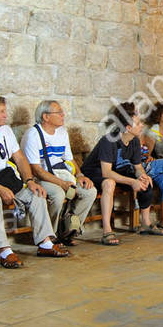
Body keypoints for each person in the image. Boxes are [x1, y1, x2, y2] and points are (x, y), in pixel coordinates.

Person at [0, 94, 64, 267]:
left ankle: (45, 242)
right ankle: (4, 250)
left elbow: (19, 157)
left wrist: (30, 180)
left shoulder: (6, 131)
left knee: (36, 194)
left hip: (6, 178)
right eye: (1, 112)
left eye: (5, 111)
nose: (5, 115)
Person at [20, 100, 98, 247]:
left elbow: (69, 159)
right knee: (58, 194)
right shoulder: (33, 135)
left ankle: (69, 230)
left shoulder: (62, 132)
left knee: (90, 191)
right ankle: (51, 235)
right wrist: (62, 184)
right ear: (46, 117)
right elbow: (36, 169)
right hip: (40, 177)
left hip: (62, 173)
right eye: (59, 112)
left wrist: (80, 175)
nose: (63, 115)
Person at [80, 102, 159, 244]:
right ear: (128, 128)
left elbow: (137, 166)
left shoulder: (134, 141)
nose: (142, 125)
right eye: (138, 123)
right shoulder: (108, 141)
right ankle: (107, 231)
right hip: (95, 172)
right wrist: (131, 181)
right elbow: (106, 172)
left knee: (145, 182)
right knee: (110, 183)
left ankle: (145, 224)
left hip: (115, 170)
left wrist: (142, 176)